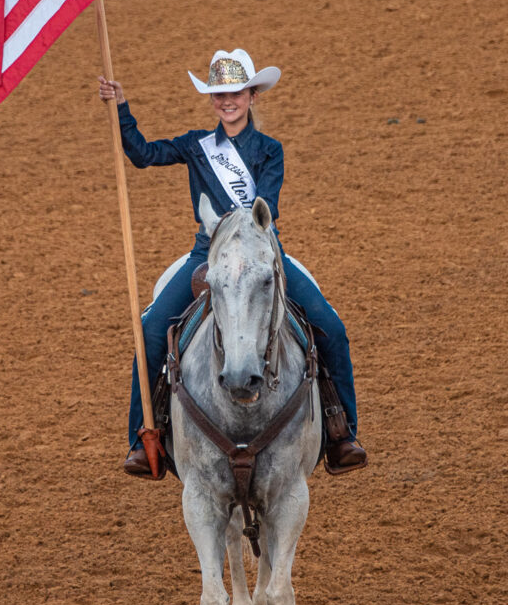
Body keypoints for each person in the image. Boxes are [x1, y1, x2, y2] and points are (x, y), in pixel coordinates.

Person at [97, 49, 367, 478]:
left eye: (235, 93)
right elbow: (144, 154)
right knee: (150, 331)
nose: (228, 101)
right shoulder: (194, 145)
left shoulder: (269, 150)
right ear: (212, 99)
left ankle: (341, 432)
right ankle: (143, 436)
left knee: (330, 326)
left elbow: (266, 209)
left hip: (261, 252)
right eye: (219, 93)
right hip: (208, 254)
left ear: (251, 96)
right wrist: (121, 108)